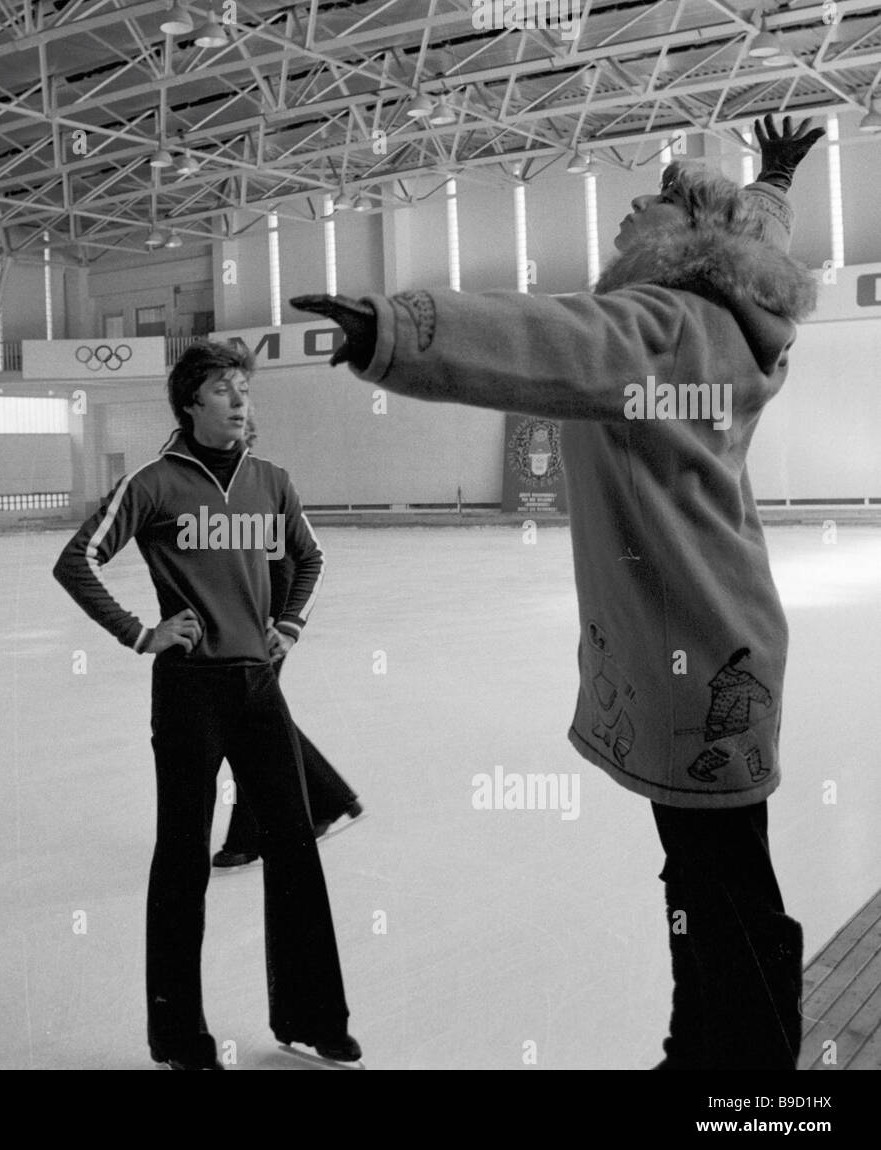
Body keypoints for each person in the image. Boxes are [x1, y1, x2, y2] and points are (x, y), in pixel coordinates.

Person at [290, 115, 822, 1070]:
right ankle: (697, 1051)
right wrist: (775, 179)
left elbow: (546, 340)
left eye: (654, 197)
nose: (630, 206)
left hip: (694, 652)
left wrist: (396, 331)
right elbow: (759, 243)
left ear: (689, 235)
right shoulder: (734, 318)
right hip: (716, 636)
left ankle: (756, 1093)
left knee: (728, 896)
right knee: (710, 876)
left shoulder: (664, 328)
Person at [53, 340, 360, 1069]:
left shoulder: (272, 482)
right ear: (190, 404)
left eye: (244, 390)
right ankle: (179, 1037)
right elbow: (78, 559)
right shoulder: (153, 484)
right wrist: (141, 633)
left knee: (293, 846)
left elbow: (310, 556)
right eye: (224, 390)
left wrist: (288, 625)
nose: (240, 401)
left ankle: (312, 1018)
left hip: (259, 690)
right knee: (183, 859)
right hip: (189, 691)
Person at [212, 411, 363, 870]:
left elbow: (290, 563)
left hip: (262, 630)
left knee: (249, 721)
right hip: (233, 626)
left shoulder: (263, 490)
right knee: (252, 721)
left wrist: (279, 624)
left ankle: (294, 813)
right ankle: (313, 806)